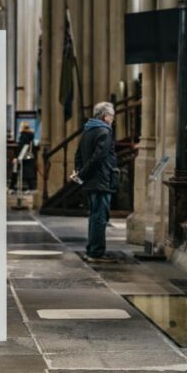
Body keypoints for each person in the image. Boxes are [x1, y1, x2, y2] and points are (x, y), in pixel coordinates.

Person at [71, 102, 118, 263]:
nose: (113, 119)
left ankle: (92, 249)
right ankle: (96, 252)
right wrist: (81, 174)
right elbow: (98, 158)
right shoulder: (104, 132)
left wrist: (78, 171)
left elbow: (78, 154)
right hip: (101, 180)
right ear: (105, 116)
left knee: (94, 215)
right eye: (112, 116)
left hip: (92, 181)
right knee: (100, 217)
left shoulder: (88, 130)